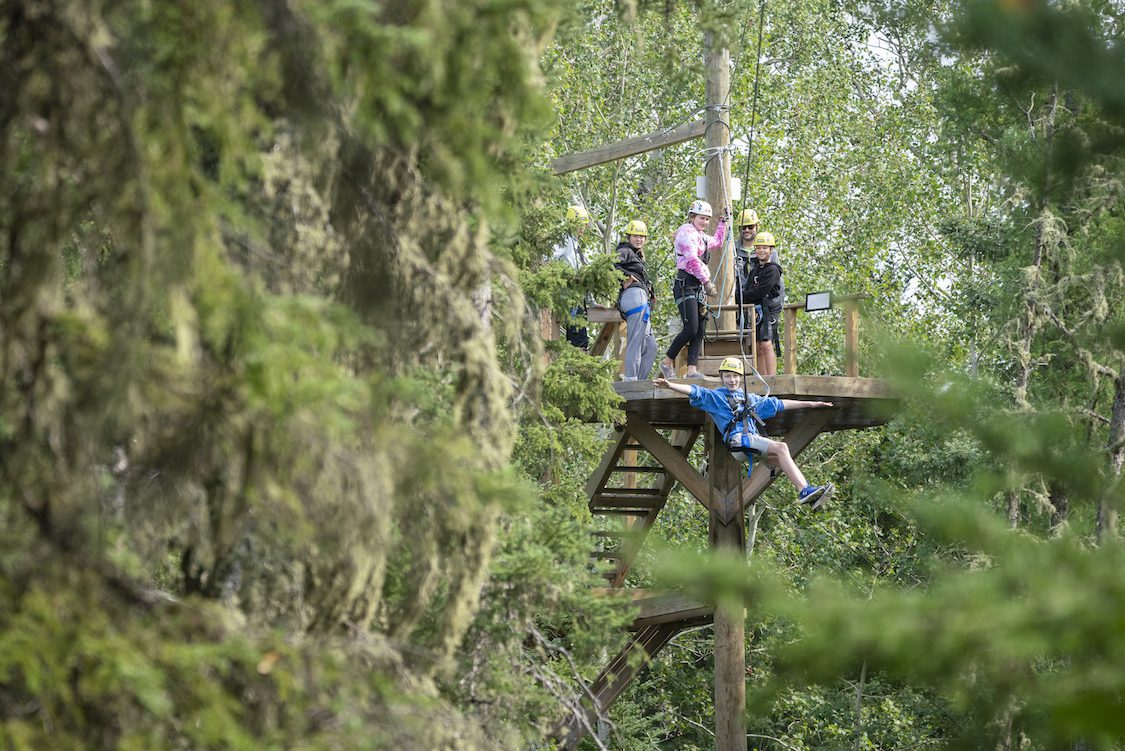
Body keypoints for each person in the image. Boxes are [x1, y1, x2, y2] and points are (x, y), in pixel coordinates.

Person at [654, 356, 836, 509]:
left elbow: (780, 404)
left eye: (735, 376)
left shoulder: (750, 399)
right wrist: (670, 385)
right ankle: (804, 489)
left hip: (748, 445)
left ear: (740, 378)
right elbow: (695, 391)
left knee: (779, 459)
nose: (732, 380)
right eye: (727, 376)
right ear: (722, 377)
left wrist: (812, 404)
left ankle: (811, 498)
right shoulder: (717, 397)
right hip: (739, 441)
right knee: (781, 448)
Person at [658, 200, 727, 380]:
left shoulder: (701, 236)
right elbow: (691, 260)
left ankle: (692, 370)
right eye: (701, 218)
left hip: (696, 285)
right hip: (686, 283)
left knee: (699, 329)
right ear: (692, 217)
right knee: (691, 328)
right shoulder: (687, 233)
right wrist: (706, 281)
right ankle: (667, 362)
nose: (704, 222)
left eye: (706, 219)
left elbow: (718, 242)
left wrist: (723, 223)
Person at [615, 220, 658, 381]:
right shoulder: (624, 250)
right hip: (633, 297)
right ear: (629, 237)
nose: (639, 239)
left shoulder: (636, 254)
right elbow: (611, 265)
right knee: (636, 341)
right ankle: (631, 379)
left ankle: (640, 380)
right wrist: (626, 277)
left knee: (651, 347)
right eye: (635, 236)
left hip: (640, 299)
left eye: (641, 237)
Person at [739, 230, 784, 376]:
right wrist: (746, 295)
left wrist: (745, 296)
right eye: (758, 248)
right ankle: (762, 378)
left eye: (764, 248)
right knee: (757, 346)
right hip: (757, 311)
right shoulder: (756, 269)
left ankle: (771, 378)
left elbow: (760, 291)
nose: (761, 251)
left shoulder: (773, 270)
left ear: (771, 250)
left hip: (769, 310)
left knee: (766, 343)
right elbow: (750, 288)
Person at [552, 204, 592, 350]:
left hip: (577, 294)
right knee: (577, 335)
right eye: (579, 224)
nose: (582, 228)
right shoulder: (564, 238)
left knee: (581, 335)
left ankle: (578, 364)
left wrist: (591, 302)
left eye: (584, 225)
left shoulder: (575, 243)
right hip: (568, 292)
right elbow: (548, 257)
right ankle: (574, 367)